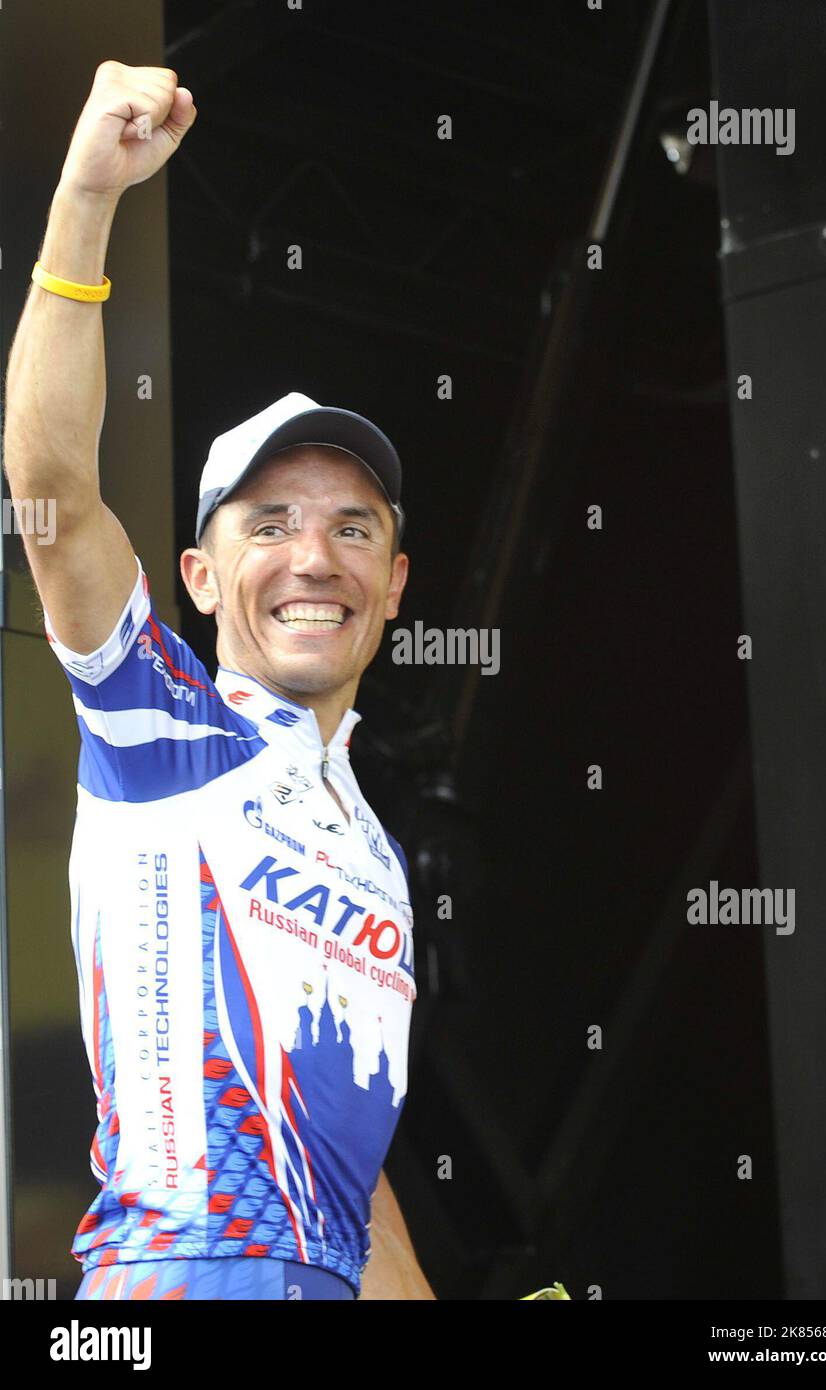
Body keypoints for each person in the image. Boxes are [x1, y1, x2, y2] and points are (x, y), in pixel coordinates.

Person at [3, 60, 434, 1301]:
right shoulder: (166, 723)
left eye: (353, 530)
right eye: (269, 524)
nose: (314, 557)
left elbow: (358, 1199)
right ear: (196, 573)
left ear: (395, 584)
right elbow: (52, 494)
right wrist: (87, 195)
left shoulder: (376, 854)